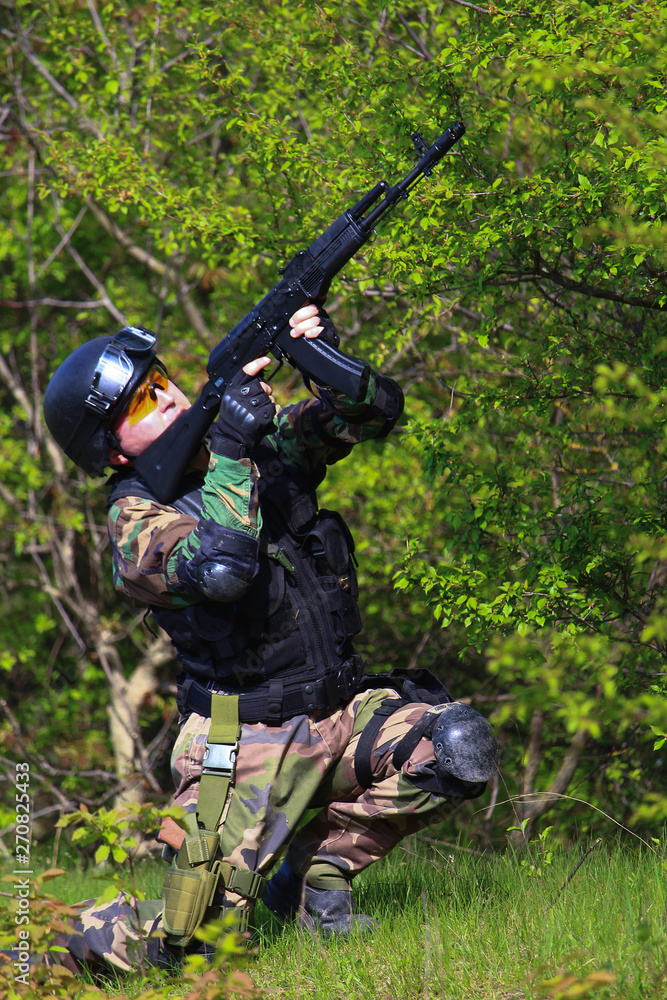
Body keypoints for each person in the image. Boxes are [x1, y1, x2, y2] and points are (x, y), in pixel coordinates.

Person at [40, 305, 498, 973]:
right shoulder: (136, 519)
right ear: (112, 450)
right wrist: (230, 451)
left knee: (455, 746)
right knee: (196, 945)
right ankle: (46, 945)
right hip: (242, 736)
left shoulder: (258, 447)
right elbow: (223, 569)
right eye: (140, 399)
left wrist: (318, 356)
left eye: (160, 379)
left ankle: (315, 882)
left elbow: (372, 412)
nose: (165, 394)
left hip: (340, 711)